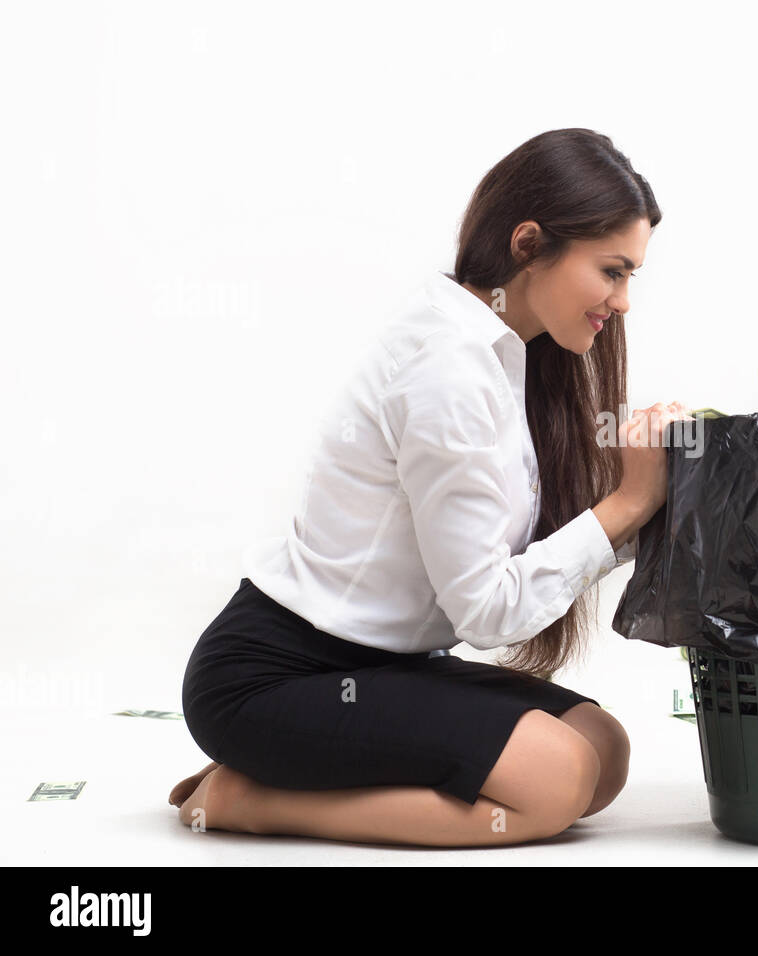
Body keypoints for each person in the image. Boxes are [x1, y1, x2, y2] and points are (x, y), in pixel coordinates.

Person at [169, 128, 688, 847]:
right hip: (273, 677)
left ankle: (316, 778)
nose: (623, 301)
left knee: (601, 750)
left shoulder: (506, 353)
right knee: (554, 780)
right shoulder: (448, 368)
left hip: (386, 667)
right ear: (529, 243)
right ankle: (247, 801)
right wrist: (626, 505)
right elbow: (486, 611)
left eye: (631, 277)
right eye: (612, 271)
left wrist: (664, 496)